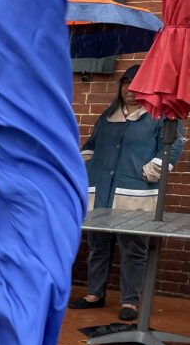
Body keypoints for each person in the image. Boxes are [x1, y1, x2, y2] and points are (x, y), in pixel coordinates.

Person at [69, 64, 183, 321]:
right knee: (98, 245)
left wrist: (152, 171)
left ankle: (130, 302)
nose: (130, 89)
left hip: (134, 192)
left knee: (133, 248)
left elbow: (173, 146)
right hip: (101, 192)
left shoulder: (161, 116)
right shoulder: (107, 115)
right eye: (125, 83)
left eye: (136, 84)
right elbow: (91, 145)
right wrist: (85, 167)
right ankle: (94, 294)